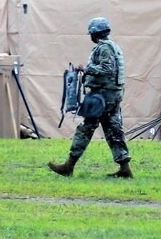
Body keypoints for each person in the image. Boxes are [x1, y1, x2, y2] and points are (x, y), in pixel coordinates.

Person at [48, 15, 131, 178]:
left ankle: (69, 165)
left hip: (102, 96)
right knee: (113, 130)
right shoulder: (112, 46)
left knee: (86, 129)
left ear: (95, 33)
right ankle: (125, 168)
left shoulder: (104, 48)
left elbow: (107, 69)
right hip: (112, 95)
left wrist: (87, 69)